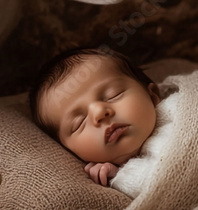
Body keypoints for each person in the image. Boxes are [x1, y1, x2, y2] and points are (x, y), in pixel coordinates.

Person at [29, 46, 176, 194]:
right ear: (68, 150)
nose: (99, 112)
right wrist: (119, 176)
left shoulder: (179, 107)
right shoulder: (117, 179)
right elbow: (164, 188)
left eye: (113, 95)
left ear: (152, 95)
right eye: (79, 123)